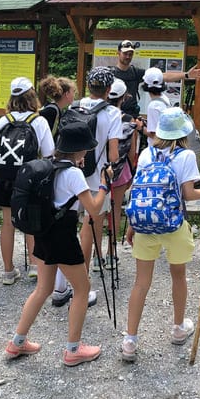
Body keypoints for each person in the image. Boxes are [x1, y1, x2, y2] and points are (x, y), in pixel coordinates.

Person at [5, 121, 111, 367]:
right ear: (80, 150)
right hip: (63, 236)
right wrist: (104, 186)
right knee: (82, 289)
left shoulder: (49, 165)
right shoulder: (73, 174)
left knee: (43, 288)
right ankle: (73, 349)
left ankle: (17, 342)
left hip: (43, 231)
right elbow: (94, 209)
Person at [121, 109, 200, 361]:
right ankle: (178, 327)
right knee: (179, 276)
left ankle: (130, 340)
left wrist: (132, 224)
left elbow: (140, 191)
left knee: (141, 282)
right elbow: (188, 194)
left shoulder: (147, 153)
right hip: (174, 224)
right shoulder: (186, 156)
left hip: (145, 225)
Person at [0, 77, 55, 284]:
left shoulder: (4, 121)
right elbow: (49, 153)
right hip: (30, 179)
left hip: (5, 179)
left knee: (7, 223)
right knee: (32, 220)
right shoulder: (38, 121)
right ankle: (35, 265)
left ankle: (8, 271)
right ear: (32, 96)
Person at [73, 67, 121, 304]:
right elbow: (113, 154)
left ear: (88, 85)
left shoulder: (75, 107)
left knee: (66, 227)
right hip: (96, 178)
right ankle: (82, 284)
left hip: (70, 174)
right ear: (109, 89)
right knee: (90, 228)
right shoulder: (112, 113)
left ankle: (60, 285)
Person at [112, 39, 200, 116]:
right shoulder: (111, 73)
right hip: (114, 113)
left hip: (132, 115)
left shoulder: (135, 72)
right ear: (118, 53)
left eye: (130, 54)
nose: (128, 56)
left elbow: (163, 76)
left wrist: (186, 75)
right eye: (125, 53)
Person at [106, 78, 142, 249]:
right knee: (115, 210)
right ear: (124, 97)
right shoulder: (129, 121)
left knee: (98, 211)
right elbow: (132, 152)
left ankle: (96, 255)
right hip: (121, 170)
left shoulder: (99, 116)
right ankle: (111, 251)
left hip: (100, 169)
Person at [142, 67, 171, 144]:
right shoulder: (164, 99)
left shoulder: (153, 106)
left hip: (157, 148)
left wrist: (141, 128)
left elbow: (155, 135)